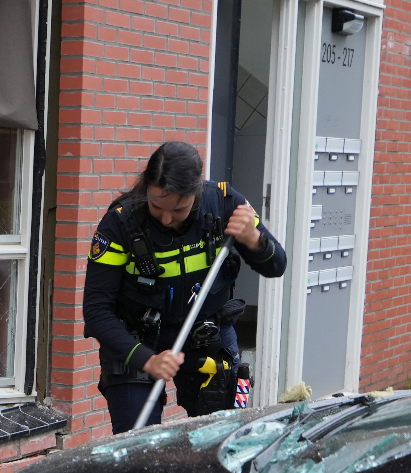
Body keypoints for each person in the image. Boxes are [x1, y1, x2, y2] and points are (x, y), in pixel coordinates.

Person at [84, 141, 286, 434]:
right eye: (156, 206)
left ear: (197, 191)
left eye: (178, 209)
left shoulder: (225, 204)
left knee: (223, 439)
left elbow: (277, 265)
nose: (166, 219)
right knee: (137, 447)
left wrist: (254, 239)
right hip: (138, 339)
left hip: (207, 333)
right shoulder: (119, 224)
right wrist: (148, 359)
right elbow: (96, 311)